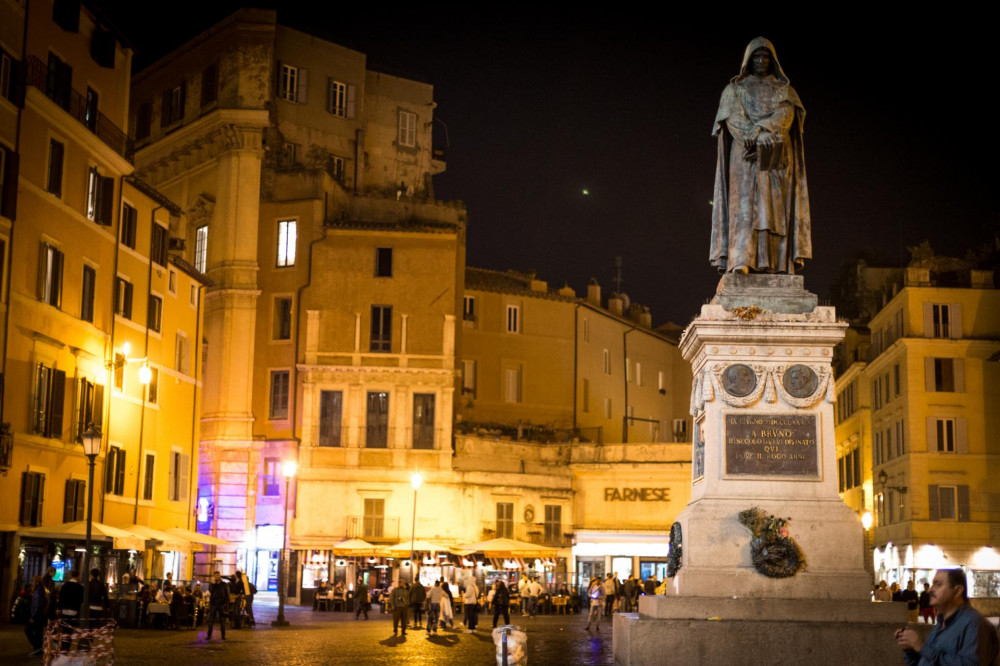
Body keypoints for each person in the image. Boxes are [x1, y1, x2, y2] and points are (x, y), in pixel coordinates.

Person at [710, 37, 811, 275]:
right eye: (756, 56)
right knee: (743, 206)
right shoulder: (733, 90)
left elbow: (787, 114)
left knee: (773, 208)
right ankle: (741, 259)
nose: (761, 61)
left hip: (775, 154)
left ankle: (776, 263)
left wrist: (764, 128)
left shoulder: (785, 90)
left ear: (773, 60)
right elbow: (731, 117)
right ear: (748, 60)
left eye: (766, 56)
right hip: (744, 155)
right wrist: (753, 133)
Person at [896, 568, 999, 665]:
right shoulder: (941, 622)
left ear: (958, 590)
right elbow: (928, 660)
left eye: (938, 584)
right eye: (932, 584)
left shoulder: (974, 623)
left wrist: (921, 647)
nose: (930, 590)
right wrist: (910, 648)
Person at [26, 575, 48, 655]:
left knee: (28, 630)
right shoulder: (41, 589)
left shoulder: (38, 590)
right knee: (38, 632)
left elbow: (37, 604)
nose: (32, 582)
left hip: (37, 615)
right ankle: (38, 648)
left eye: (33, 581)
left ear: (36, 582)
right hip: (40, 614)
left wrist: (33, 616)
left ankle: (37, 647)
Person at [206, 571, 229, 641]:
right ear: (213, 576)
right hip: (213, 604)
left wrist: (226, 603)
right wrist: (213, 584)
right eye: (215, 575)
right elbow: (210, 592)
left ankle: (223, 635)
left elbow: (227, 594)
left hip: (221, 604)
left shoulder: (224, 584)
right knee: (211, 620)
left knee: (222, 620)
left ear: (220, 576)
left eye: (218, 575)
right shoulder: (212, 584)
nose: (216, 576)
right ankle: (209, 635)